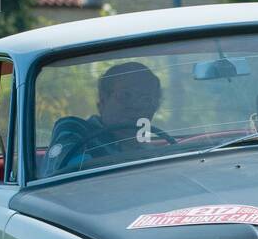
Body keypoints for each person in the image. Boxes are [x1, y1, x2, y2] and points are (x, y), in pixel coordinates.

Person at [42, 61, 174, 175]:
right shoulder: (73, 130)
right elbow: (73, 183)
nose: (135, 106)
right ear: (103, 101)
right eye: (125, 96)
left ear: (154, 108)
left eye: (146, 99)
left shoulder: (155, 152)